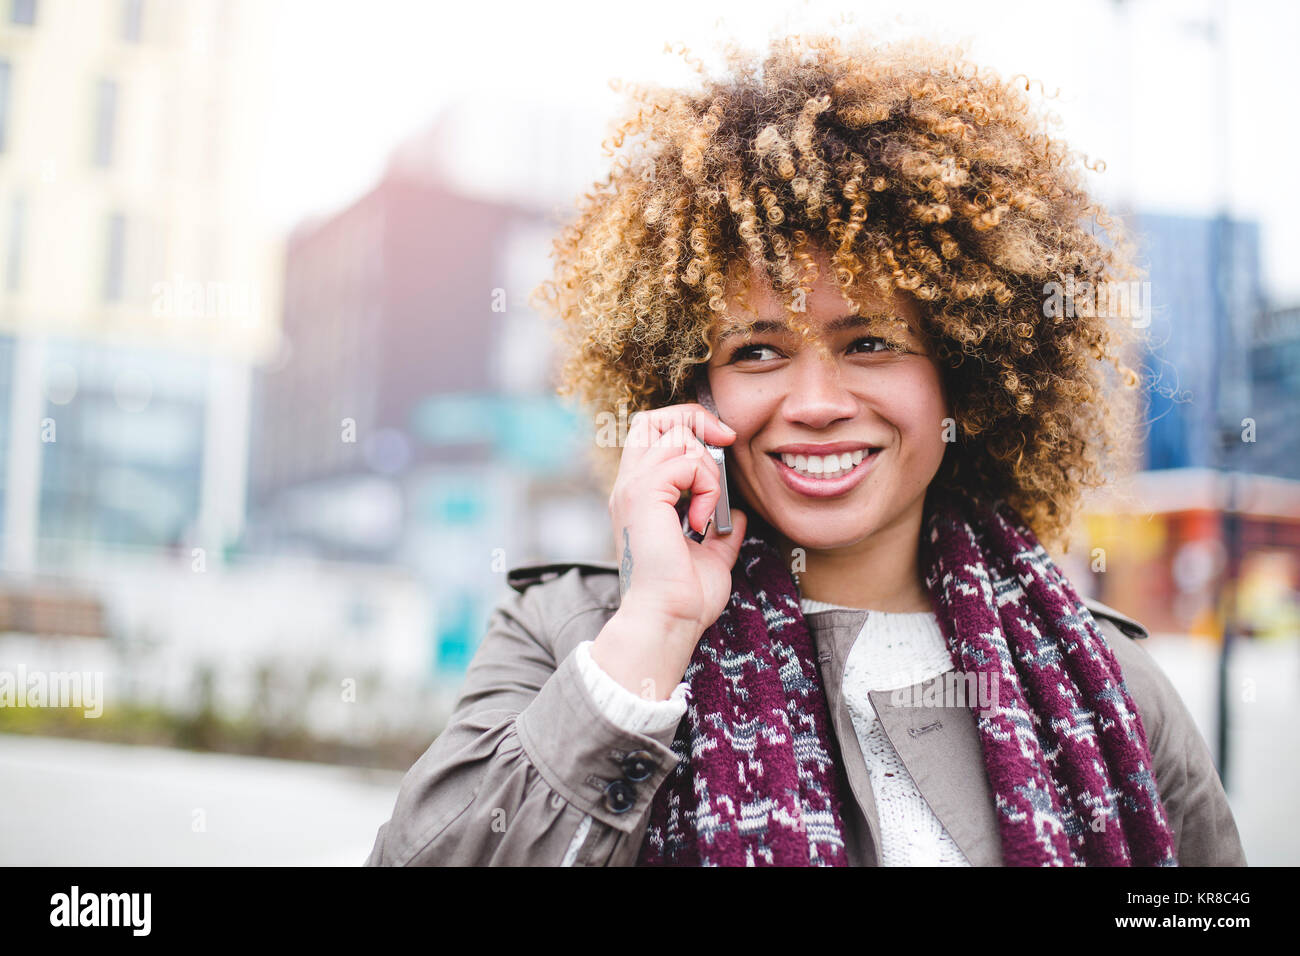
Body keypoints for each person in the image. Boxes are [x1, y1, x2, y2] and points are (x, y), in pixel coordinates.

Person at [366, 30, 1247, 867]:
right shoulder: (570, 639)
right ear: (689, 392)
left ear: (964, 377)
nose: (817, 404)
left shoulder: (1111, 684)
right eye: (756, 351)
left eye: (871, 343)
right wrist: (657, 631)